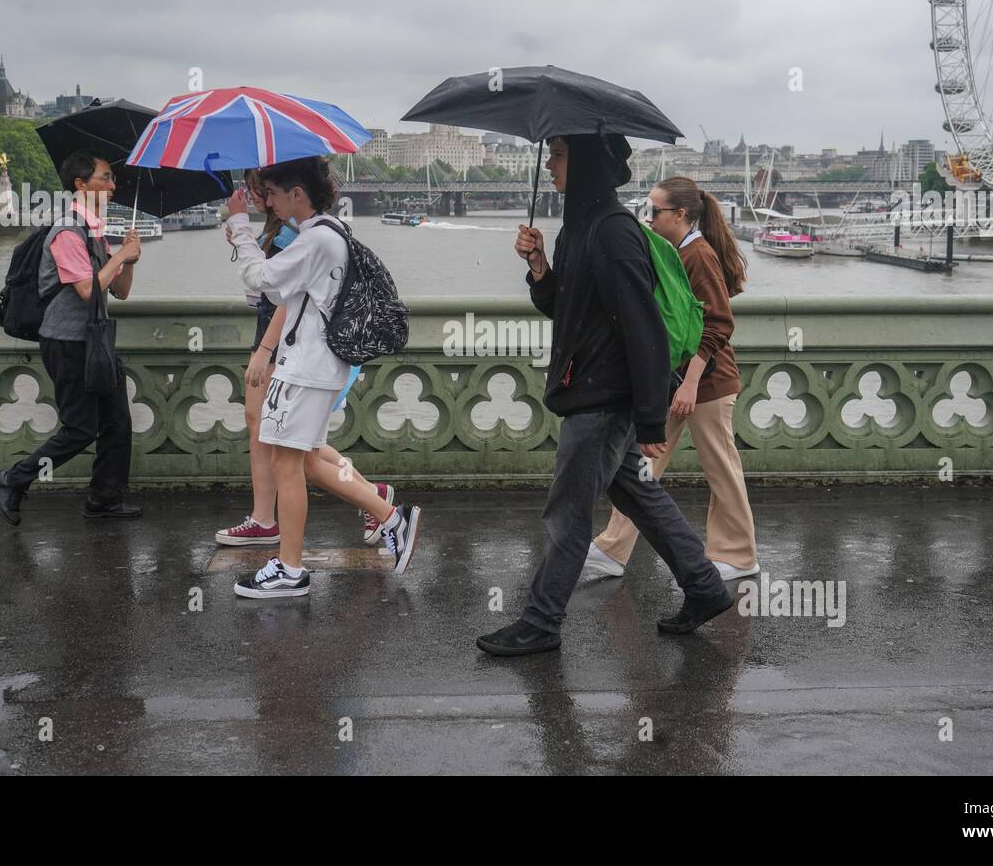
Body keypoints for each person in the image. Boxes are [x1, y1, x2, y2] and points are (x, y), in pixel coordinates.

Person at [476, 134, 734, 657]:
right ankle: (705, 587)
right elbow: (565, 309)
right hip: (594, 387)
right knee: (639, 493)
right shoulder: (580, 228)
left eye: (559, 155)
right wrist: (539, 266)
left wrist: (649, 419)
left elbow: (643, 328)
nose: (550, 164)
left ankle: (541, 621)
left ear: (588, 163)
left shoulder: (614, 232)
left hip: (603, 396)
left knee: (568, 511)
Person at [225, 157, 421, 599]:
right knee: (307, 460)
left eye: (272, 193)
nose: (268, 202)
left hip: (307, 368)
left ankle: (293, 566)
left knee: (289, 464)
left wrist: (239, 227)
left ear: (298, 193)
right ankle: (387, 514)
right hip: (315, 364)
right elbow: (275, 292)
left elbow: (262, 277)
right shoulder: (326, 234)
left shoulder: (316, 240)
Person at [583, 176, 759, 582]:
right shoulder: (676, 250)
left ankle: (738, 555)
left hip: (706, 384)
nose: (649, 218)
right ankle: (613, 548)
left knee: (721, 470)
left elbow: (718, 324)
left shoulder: (698, 254)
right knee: (642, 465)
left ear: (680, 214)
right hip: (676, 381)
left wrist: (691, 383)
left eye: (655, 212)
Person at [0, 151, 143, 525]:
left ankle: (104, 499)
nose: (113, 185)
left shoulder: (94, 232)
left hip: (95, 341)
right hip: (67, 342)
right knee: (79, 430)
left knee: (118, 423)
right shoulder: (66, 233)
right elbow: (89, 290)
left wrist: (128, 259)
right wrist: (118, 255)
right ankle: (12, 480)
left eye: (112, 179)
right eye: (105, 178)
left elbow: (119, 291)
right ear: (80, 184)